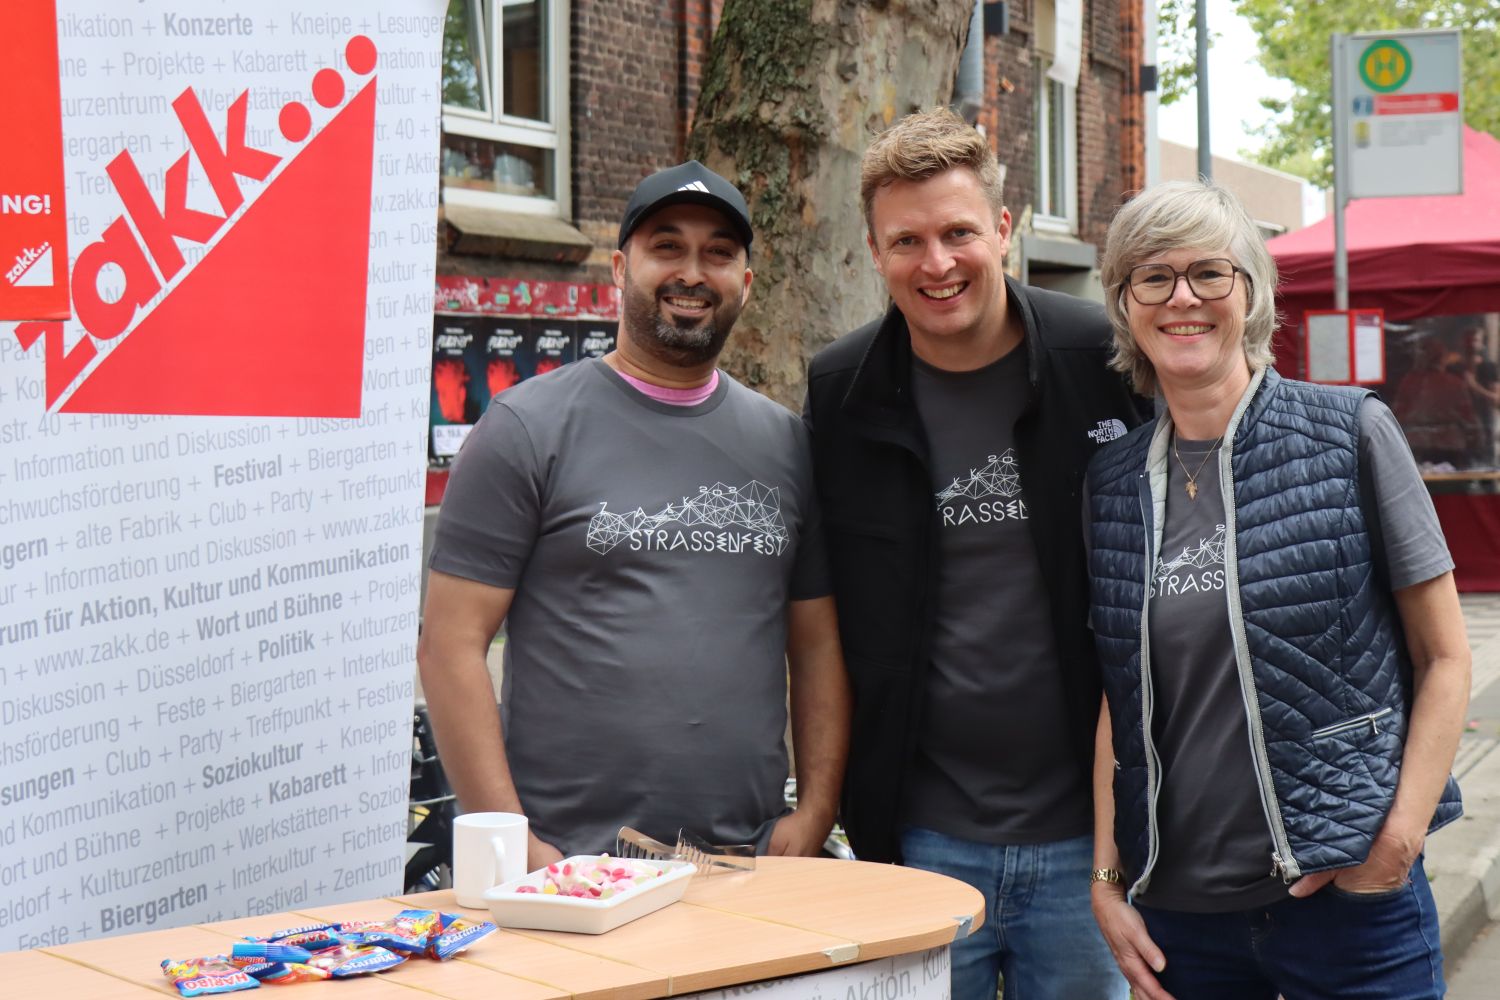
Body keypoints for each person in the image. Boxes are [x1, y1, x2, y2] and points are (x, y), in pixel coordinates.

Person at [1085, 180, 1469, 1000]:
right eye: (1152, 277)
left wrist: (1396, 842)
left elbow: (1444, 656)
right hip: (1183, 922)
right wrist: (1108, 879)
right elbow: (1123, 694)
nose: (1182, 297)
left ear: (1250, 292)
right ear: (1124, 303)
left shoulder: (1351, 433)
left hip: (1347, 902)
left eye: (1209, 273)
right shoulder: (1113, 482)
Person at [418, 161, 851, 869]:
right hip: (572, 866)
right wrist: (513, 842)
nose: (693, 271)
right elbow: (449, 647)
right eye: (667, 246)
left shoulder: (786, 444)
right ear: (620, 268)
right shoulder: (527, 427)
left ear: (745, 281)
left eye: (718, 252)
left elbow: (816, 645)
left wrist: (816, 811)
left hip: (747, 864)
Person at [803, 108, 1141, 1000]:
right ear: (874, 253)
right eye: (906, 241)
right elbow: (825, 617)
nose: (937, 263)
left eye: (958, 232)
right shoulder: (840, 393)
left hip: (1090, 837)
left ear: (1003, 227)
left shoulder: (1100, 359)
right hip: (920, 839)